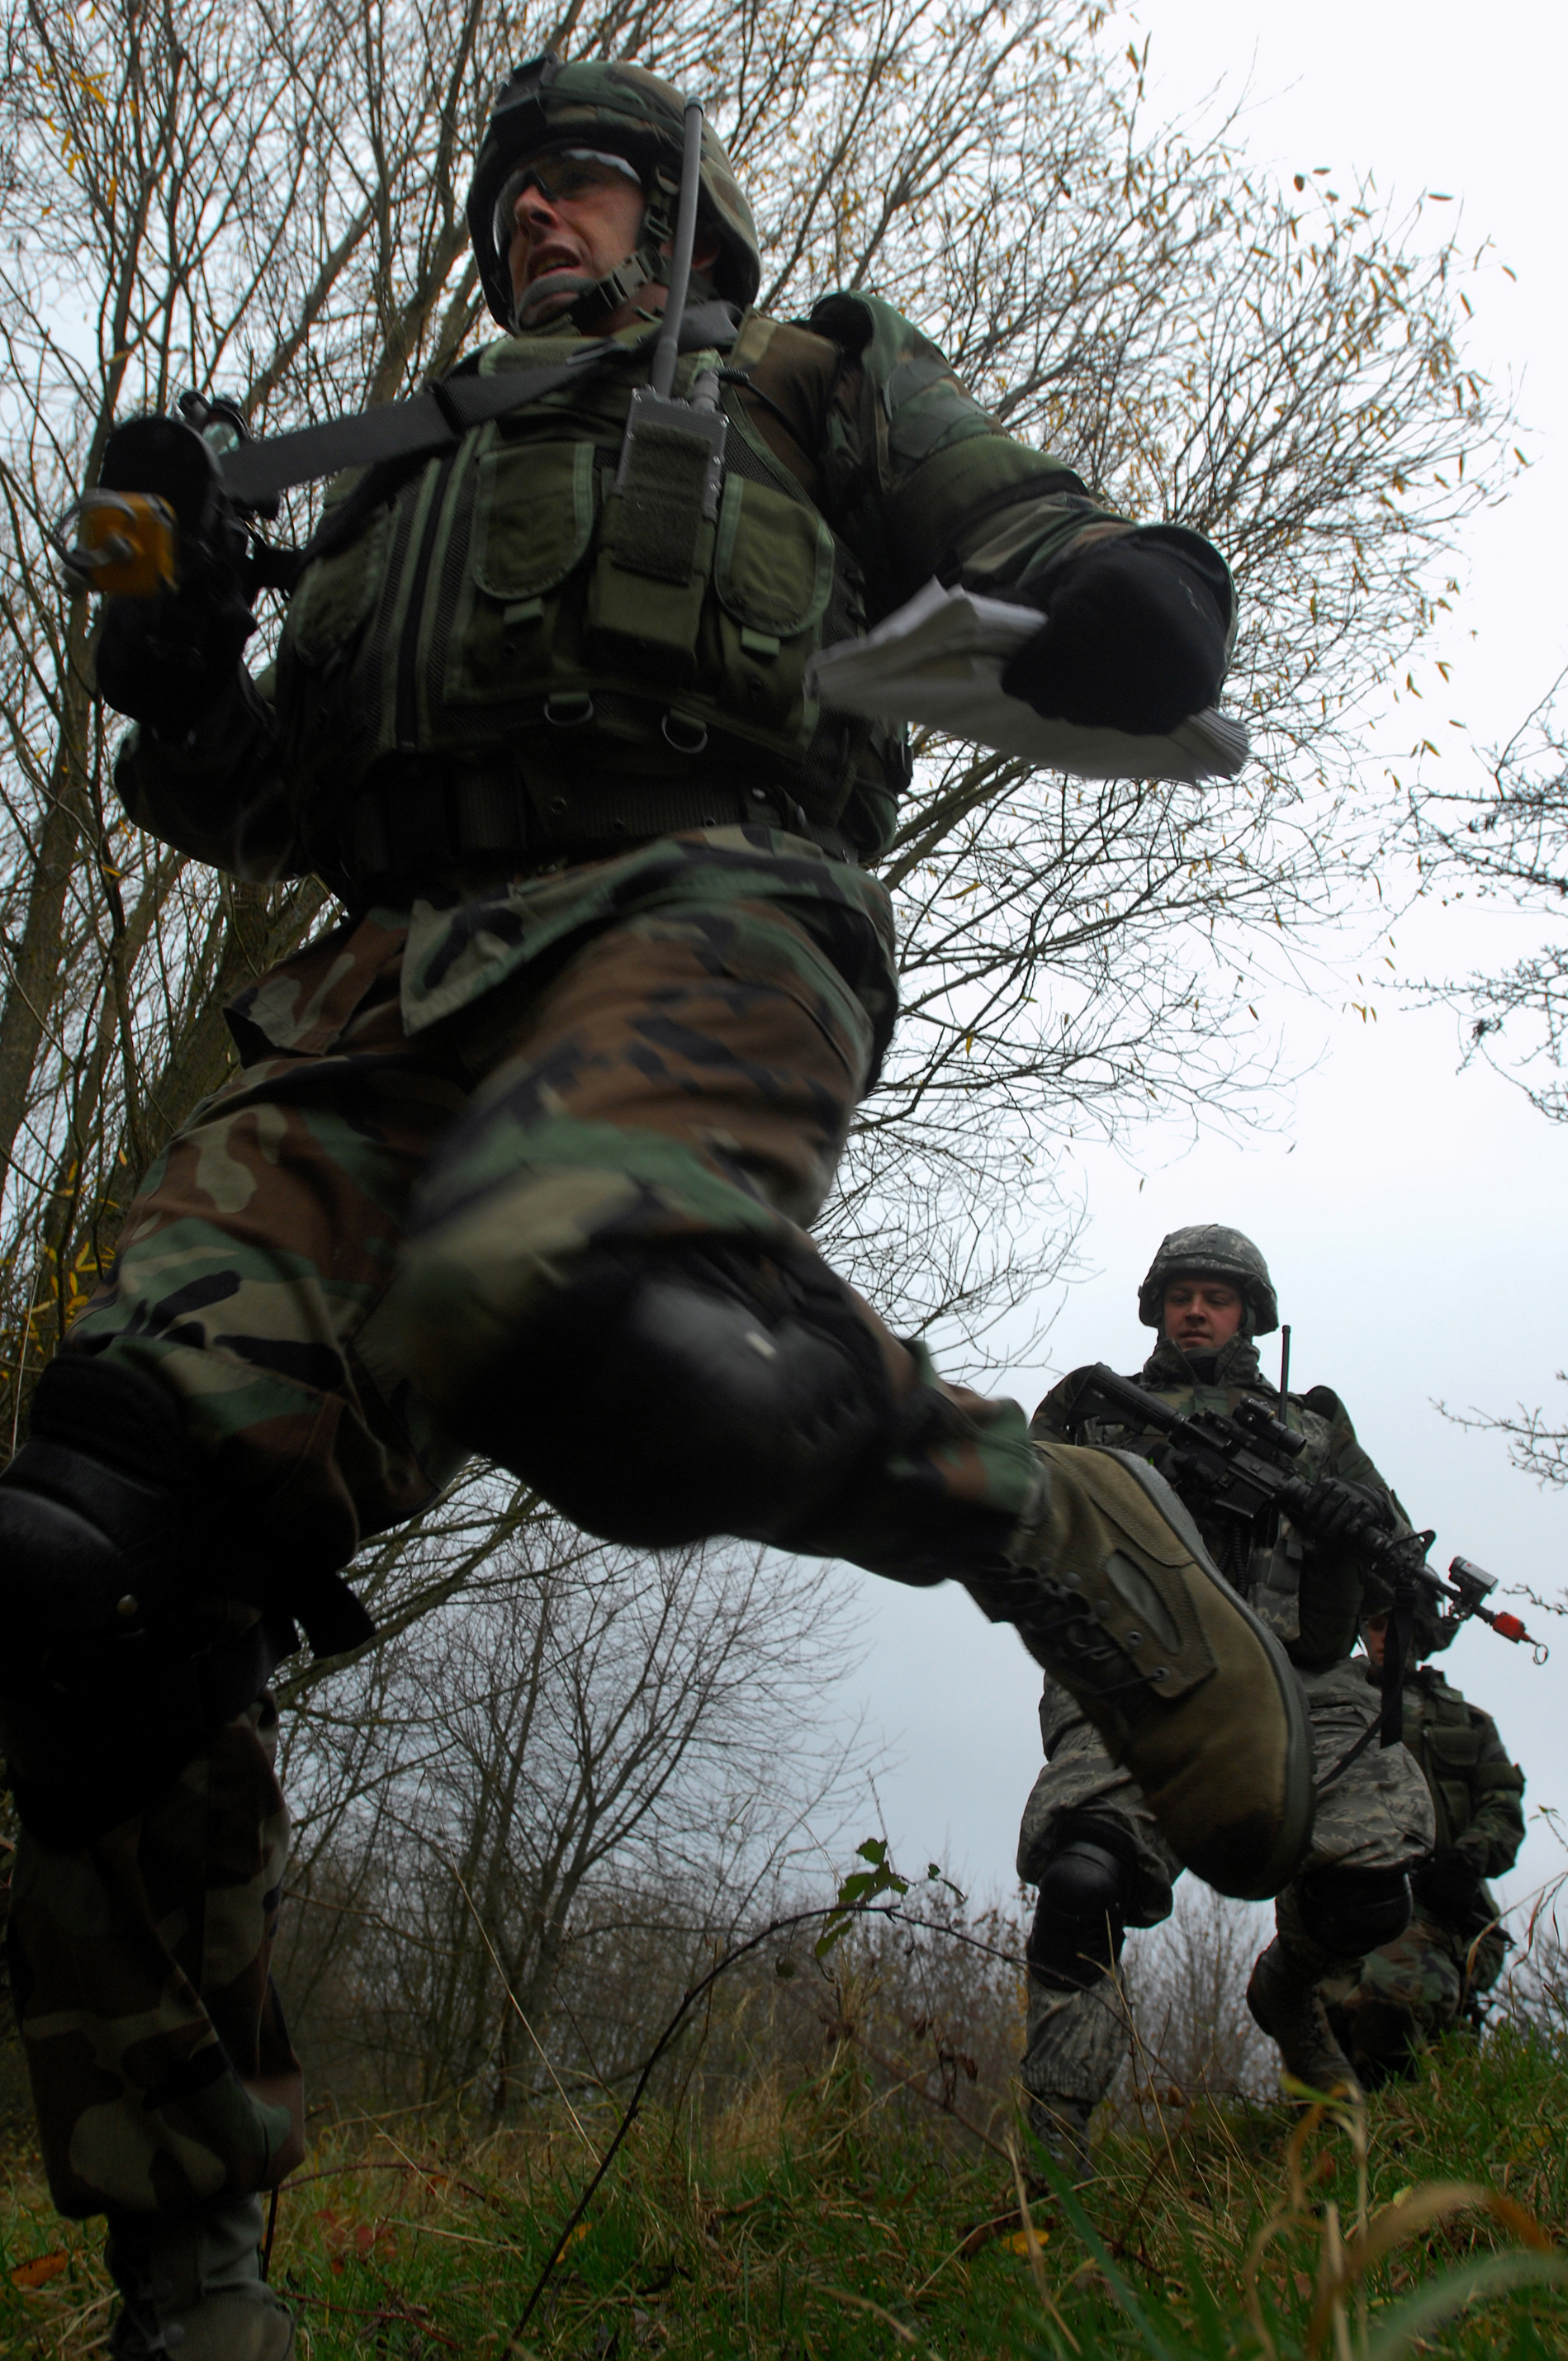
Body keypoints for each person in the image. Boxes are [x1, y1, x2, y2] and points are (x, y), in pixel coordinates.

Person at [2, 59, 1310, 2355]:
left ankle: (1049, 1509)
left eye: (580, 182)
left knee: (578, 1312)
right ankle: (190, 2279)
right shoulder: (393, 477)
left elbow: (1021, 527)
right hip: (366, 999)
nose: (532, 217)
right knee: (90, 1562)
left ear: (682, 222)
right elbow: (241, 794)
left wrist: (1122, 592)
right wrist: (173, 628)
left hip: (695, 903)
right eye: (506, 193)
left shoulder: (802, 381)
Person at [1016, 1224, 1435, 2172]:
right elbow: (1012, 1520)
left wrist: (1350, 1537)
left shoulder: (1315, 1428)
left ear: (1251, 1313)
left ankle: (1288, 1994)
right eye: (1182, 1295)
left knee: (1373, 1892)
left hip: (1306, 1679)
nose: (1197, 1310)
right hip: (1136, 1667)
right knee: (1087, 1876)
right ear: (1158, 1308)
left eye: (1218, 1296)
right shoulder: (1092, 1411)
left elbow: (1392, 1559)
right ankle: (1053, 2155)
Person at [1318, 1605, 1525, 2085]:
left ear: (1423, 1630)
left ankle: (1413, 2121)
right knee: (1315, 2025)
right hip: (1342, 1907)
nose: (1387, 1636)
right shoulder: (1330, 1712)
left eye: (1398, 1623)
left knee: (1391, 2003)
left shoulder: (1465, 1722)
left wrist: (1465, 1862)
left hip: (1441, 1910)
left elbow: (1503, 1806)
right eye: (1375, 1624)